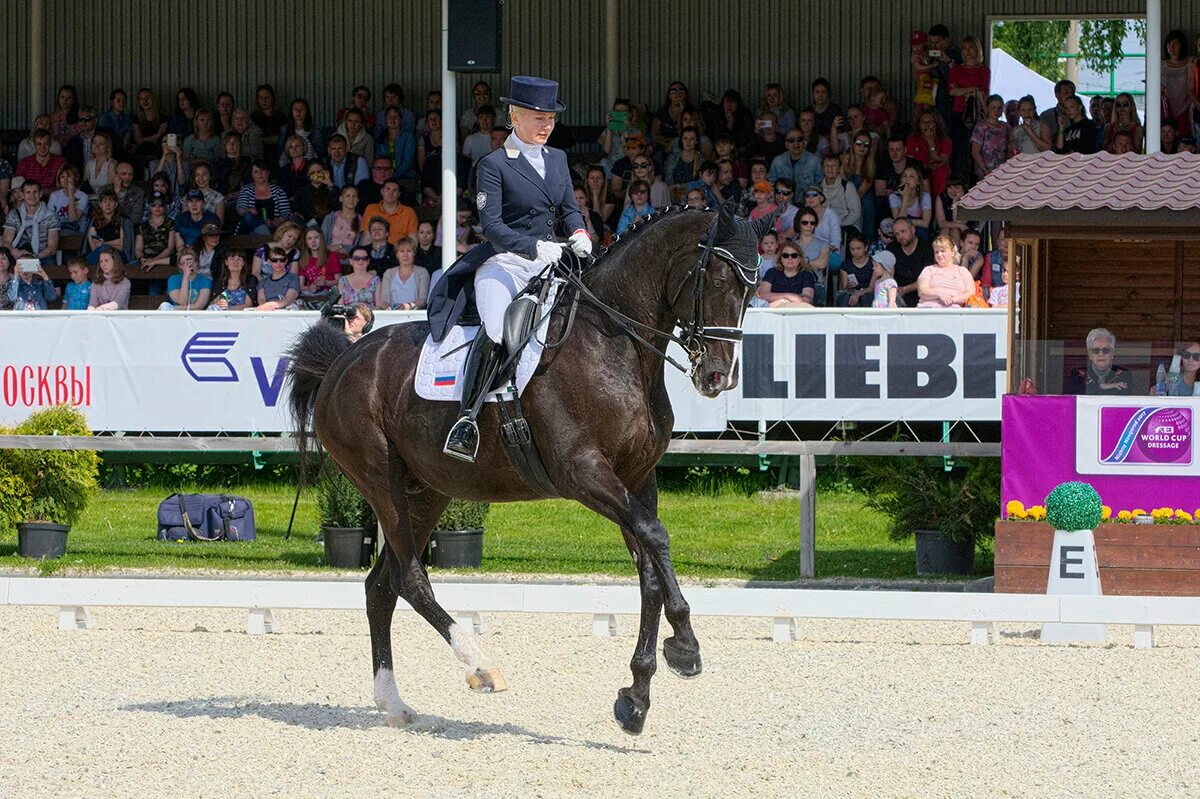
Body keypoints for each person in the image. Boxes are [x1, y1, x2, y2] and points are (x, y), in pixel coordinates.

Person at [430, 76, 589, 462]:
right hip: (505, 263)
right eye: (539, 117)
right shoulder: (494, 164)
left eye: (551, 118)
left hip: (552, 265)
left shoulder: (558, 159)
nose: (547, 125)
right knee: (498, 330)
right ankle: (467, 419)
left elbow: (569, 208)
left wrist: (580, 231)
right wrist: (534, 246)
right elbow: (493, 227)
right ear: (515, 117)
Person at [4, 180, 60, 266]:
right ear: (23, 195)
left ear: (40, 194)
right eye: (28, 192)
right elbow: (7, 241)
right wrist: (14, 252)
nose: (32, 195)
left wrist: (34, 257)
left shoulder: (51, 216)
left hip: (42, 256)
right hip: (18, 254)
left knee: (50, 262)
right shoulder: (14, 214)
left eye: (35, 192)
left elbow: (52, 248)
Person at [1066, 328, 1133, 395]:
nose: (1101, 354)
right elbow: (1076, 392)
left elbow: (1124, 394)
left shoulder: (1123, 374)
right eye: (1096, 350)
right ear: (1090, 354)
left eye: (1105, 350)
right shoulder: (1078, 373)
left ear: (1112, 353)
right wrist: (1103, 386)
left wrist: (1092, 389)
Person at [917, 234, 975, 308]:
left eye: (942, 251)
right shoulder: (928, 270)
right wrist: (939, 294)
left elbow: (971, 293)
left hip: (954, 310)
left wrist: (954, 299)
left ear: (952, 252)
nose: (939, 255)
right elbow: (922, 291)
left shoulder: (963, 271)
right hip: (929, 308)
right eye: (936, 252)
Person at [886, 217, 933, 306]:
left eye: (903, 231)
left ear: (913, 229)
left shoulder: (926, 248)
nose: (900, 236)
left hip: (921, 292)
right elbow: (888, 276)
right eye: (897, 234)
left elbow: (928, 278)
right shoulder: (891, 248)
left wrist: (905, 289)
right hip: (896, 293)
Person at [756, 239, 815, 306]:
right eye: (785, 255)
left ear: (800, 259)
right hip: (775, 310)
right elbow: (763, 295)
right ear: (780, 259)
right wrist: (788, 296)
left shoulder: (807, 275)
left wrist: (781, 299)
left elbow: (806, 300)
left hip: (798, 309)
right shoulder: (771, 272)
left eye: (794, 255)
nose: (790, 258)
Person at [361, 179, 418, 245]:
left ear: (399, 194)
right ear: (381, 191)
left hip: (399, 249)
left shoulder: (409, 212)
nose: (391, 193)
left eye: (394, 190)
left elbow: (413, 240)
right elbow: (367, 238)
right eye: (388, 189)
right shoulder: (371, 209)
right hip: (377, 249)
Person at [378, 238, 429, 310]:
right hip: (393, 313)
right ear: (397, 254)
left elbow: (422, 299)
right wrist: (387, 308)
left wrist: (406, 306)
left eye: (409, 251)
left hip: (415, 314)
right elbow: (385, 299)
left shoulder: (422, 272)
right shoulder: (389, 273)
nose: (405, 254)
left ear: (414, 253)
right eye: (402, 251)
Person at [135, 191, 177, 270]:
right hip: (145, 259)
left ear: (166, 206)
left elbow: (170, 248)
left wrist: (155, 260)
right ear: (149, 206)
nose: (157, 207)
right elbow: (138, 248)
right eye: (153, 204)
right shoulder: (142, 226)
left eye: (161, 204)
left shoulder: (172, 224)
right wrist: (142, 259)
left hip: (164, 260)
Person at [256, 246, 302, 310]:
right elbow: (261, 300)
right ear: (269, 261)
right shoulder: (262, 282)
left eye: (282, 260)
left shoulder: (293, 278)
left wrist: (268, 305)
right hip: (268, 311)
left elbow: (288, 299)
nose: (278, 263)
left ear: (286, 261)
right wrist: (267, 308)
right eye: (274, 260)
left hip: (288, 311)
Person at [322, 185, 361, 256]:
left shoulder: (361, 221)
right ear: (341, 198)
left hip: (350, 258)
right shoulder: (330, 217)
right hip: (329, 256)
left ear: (358, 200)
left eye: (354, 196)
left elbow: (360, 245)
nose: (351, 199)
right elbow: (322, 240)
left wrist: (342, 247)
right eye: (348, 196)